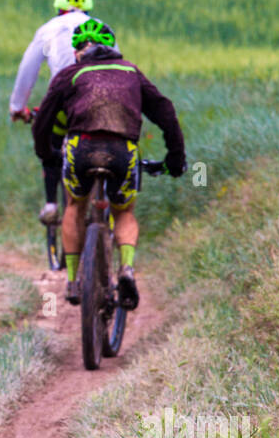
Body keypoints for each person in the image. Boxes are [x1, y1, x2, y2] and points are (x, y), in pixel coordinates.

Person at [32, 18, 186, 310]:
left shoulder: (70, 75)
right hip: (122, 151)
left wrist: (47, 156)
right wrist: (175, 160)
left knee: (75, 205)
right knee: (124, 211)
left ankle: (74, 281)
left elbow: (43, 123)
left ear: (78, 52)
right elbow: (165, 112)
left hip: (81, 149)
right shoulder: (131, 72)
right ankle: (126, 269)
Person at [9, 0, 113, 227]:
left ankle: (51, 205)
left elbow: (28, 69)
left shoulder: (49, 29)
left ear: (59, 8)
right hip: (106, 98)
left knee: (49, 140)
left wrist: (17, 107)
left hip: (65, 101)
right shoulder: (101, 26)